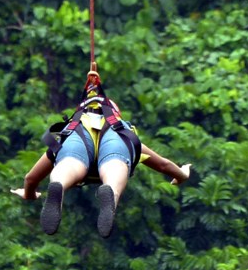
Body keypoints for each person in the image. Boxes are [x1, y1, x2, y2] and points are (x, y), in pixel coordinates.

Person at [12, 79, 191, 238]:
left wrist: (29, 194)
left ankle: (59, 183)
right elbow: (164, 165)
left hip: (77, 135)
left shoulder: (72, 128)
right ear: (115, 114)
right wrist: (182, 174)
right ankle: (111, 192)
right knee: (115, 163)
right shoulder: (121, 129)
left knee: (69, 163)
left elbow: (31, 178)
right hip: (116, 138)